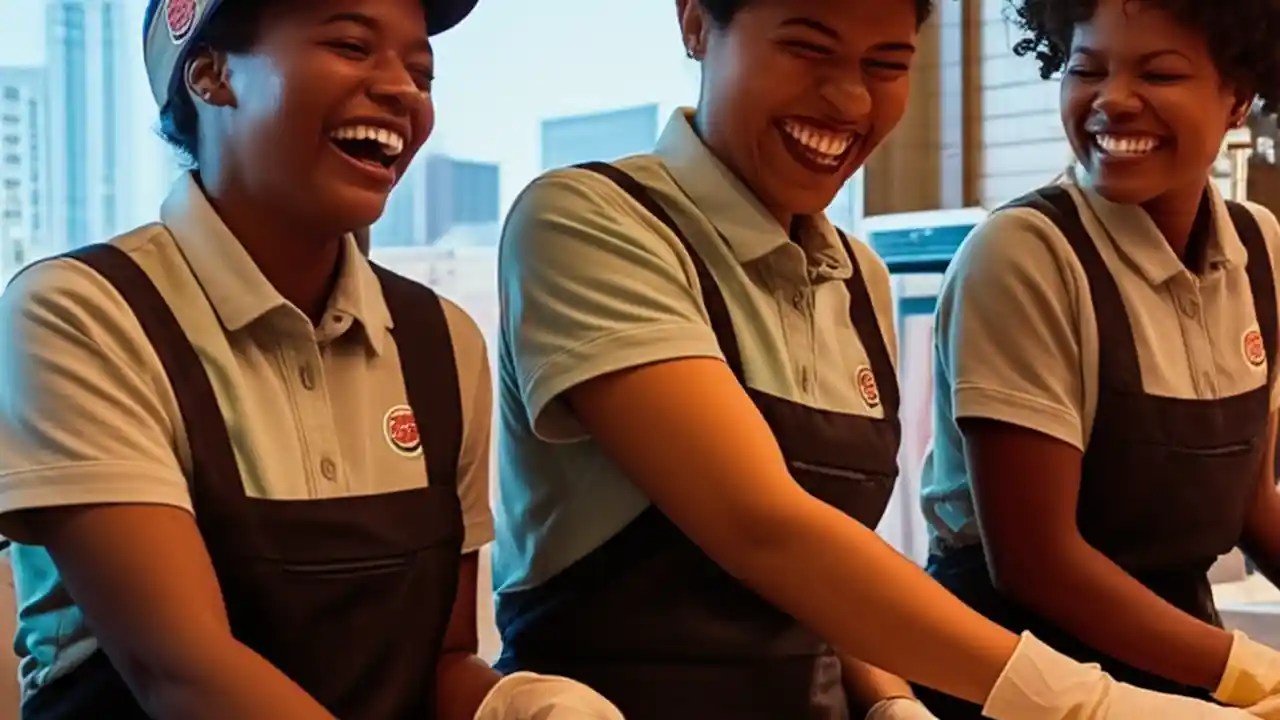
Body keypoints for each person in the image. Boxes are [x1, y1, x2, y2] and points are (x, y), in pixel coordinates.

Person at [489, 0, 1266, 718]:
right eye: (807, 48)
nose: (850, 100)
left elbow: (833, 575)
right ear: (695, 21)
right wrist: (1089, 703)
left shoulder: (856, 276)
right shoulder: (589, 223)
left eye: (886, 65)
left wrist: (891, 700)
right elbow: (764, 526)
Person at [0, 0, 623, 718]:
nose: (402, 90)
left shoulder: (441, 342)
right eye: (351, 45)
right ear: (210, 75)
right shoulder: (85, 315)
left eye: (421, 72)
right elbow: (183, 673)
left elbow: (438, 661)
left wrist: (515, 705)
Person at [915, 0, 1280, 717]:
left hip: (1179, 663)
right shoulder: (1025, 256)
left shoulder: (1258, 247)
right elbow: (1036, 562)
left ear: (1237, 98)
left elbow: (1248, 499)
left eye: (1159, 74)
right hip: (1019, 676)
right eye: (1086, 70)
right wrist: (1250, 670)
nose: (1112, 100)